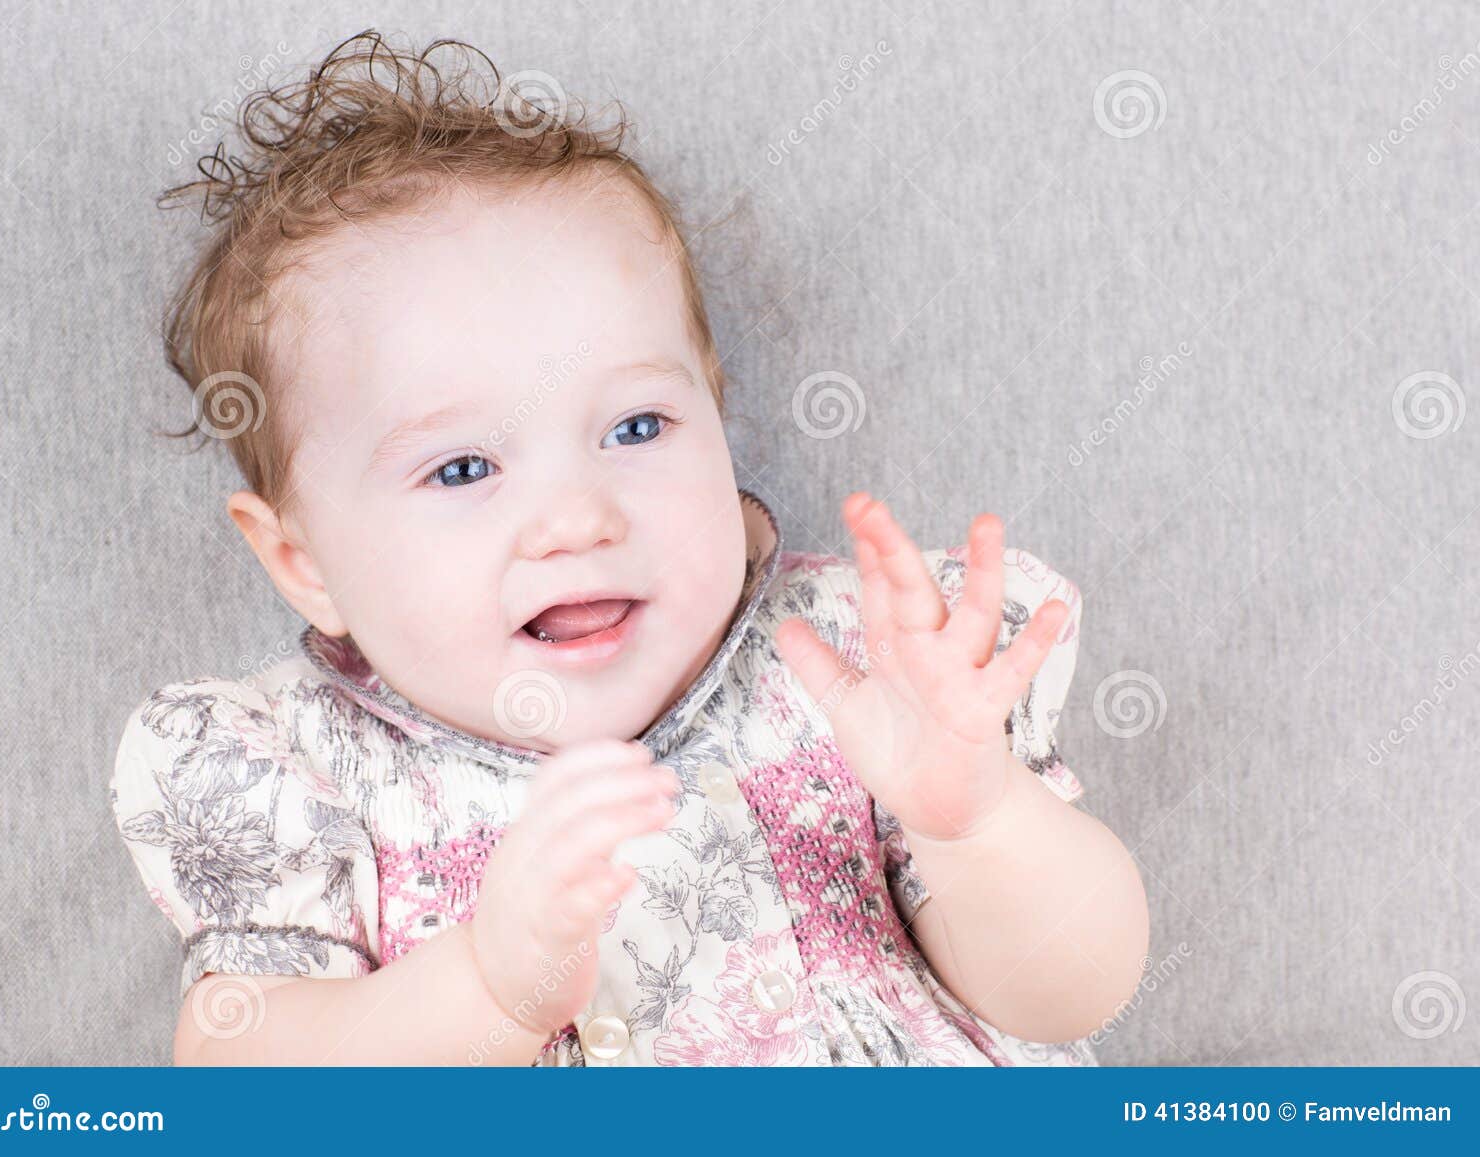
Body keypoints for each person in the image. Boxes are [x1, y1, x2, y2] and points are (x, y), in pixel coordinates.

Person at [109, 27, 1148, 1066]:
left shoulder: (854, 671)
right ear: (304, 563)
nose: (579, 519)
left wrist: (978, 822)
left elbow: (1073, 997)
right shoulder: (300, 770)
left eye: (637, 428)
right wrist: (489, 987)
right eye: (463, 469)